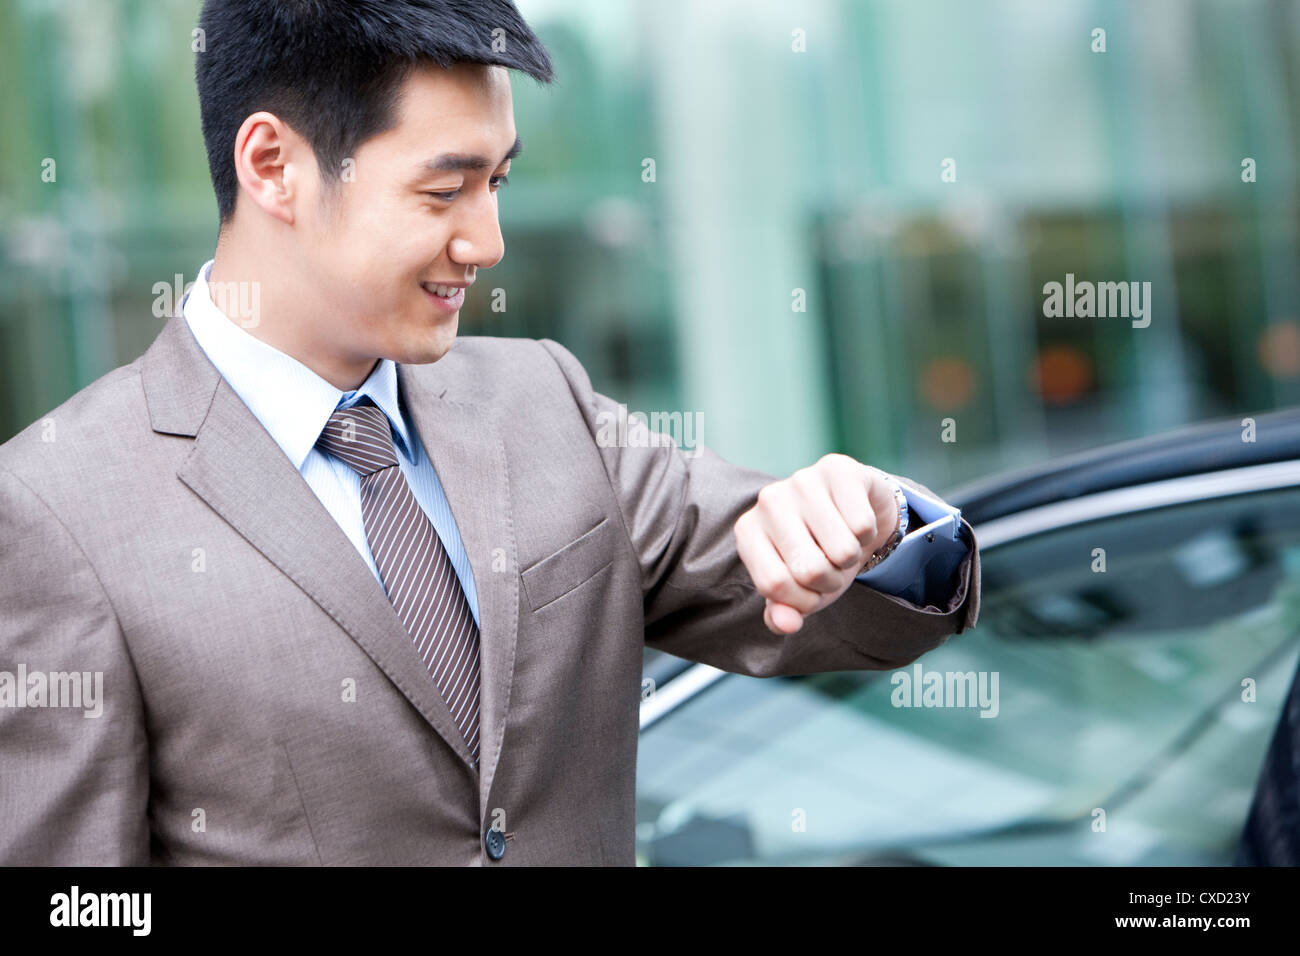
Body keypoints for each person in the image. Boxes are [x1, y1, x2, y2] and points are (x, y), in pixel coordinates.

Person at [0, 0, 979, 865]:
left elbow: (796, 567)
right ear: (273, 165)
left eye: (498, 182)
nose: (487, 242)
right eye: (444, 189)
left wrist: (869, 522)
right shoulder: (57, 507)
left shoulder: (541, 399)